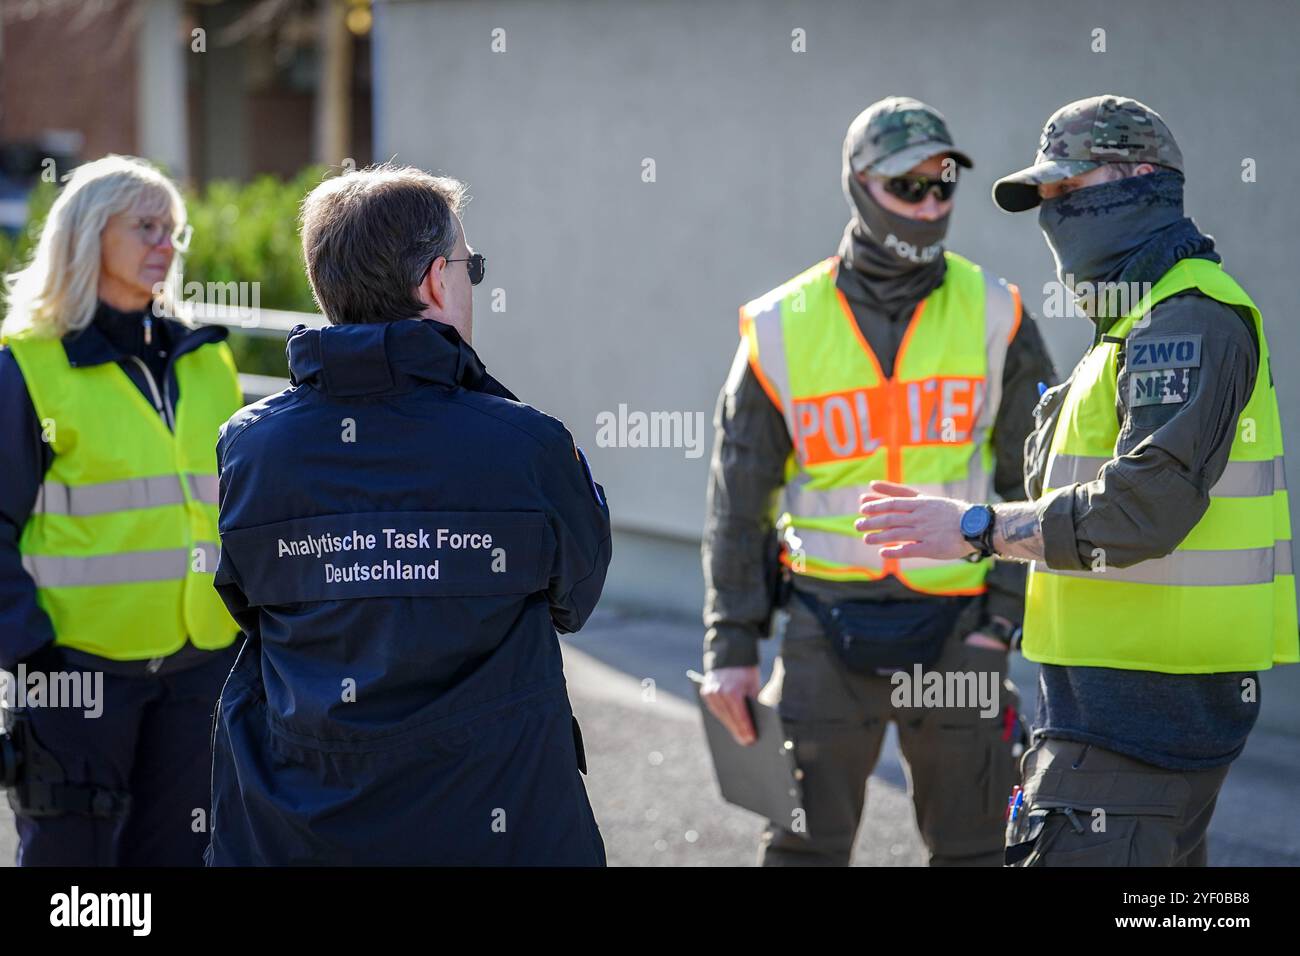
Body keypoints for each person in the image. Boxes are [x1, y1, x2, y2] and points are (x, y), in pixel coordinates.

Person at [856, 95, 1298, 866]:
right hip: (1117, 719)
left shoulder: (1185, 318)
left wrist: (977, 529)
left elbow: (1141, 512)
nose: (1053, 212)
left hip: (1137, 729)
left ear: (1144, 179)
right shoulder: (1130, 326)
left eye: (1069, 188)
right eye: (1044, 197)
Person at [206, 164, 612, 865]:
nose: (471, 283)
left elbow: (247, 603)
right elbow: (575, 597)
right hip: (496, 827)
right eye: (470, 266)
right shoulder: (528, 445)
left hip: (296, 830)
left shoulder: (249, 446)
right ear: (433, 282)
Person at [700, 97, 1057, 866]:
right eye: (908, 187)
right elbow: (741, 494)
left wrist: (1002, 622)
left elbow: (1035, 473)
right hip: (826, 625)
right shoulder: (781, 324)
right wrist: (731, 641)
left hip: (961, 631)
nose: (931, 205)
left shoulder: (998, 312)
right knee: (803, 852)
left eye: (943, 185)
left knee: (976, 854)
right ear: (859, 185)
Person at [0, 155, 243, 865]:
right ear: (86, 236)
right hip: (75, 667)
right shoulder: (27, 367)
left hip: (199, 664)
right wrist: (31, 648)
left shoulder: (209, 361)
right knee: (71, 867)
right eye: (145, 227)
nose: (165, 245)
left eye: (174, 230)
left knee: (177, 855)